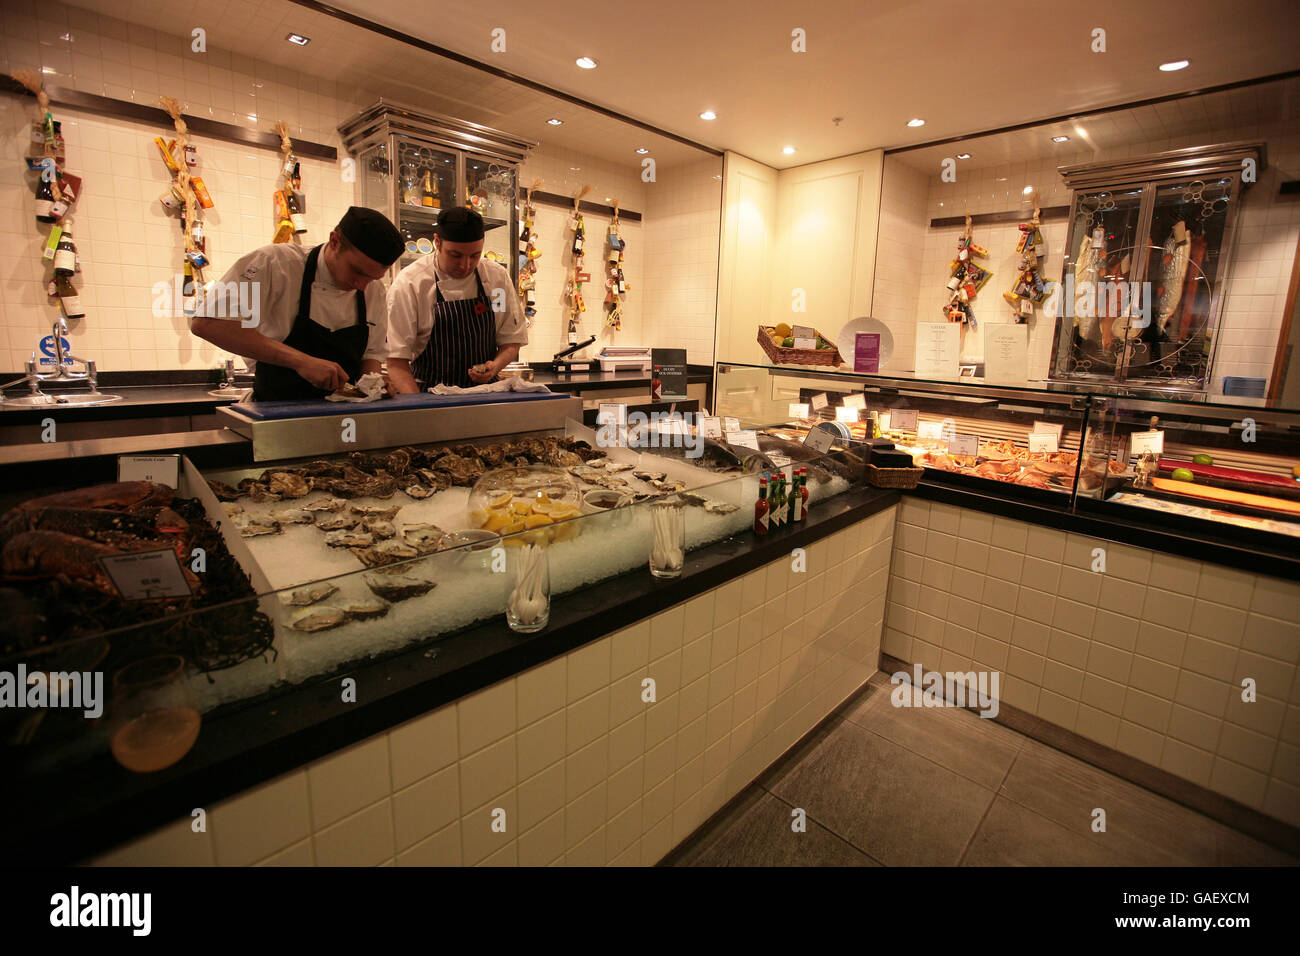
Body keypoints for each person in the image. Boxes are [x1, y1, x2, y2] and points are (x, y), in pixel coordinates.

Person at [191, 206, 405, 401]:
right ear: (334, 241)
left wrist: (374, 382)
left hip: (345, 417)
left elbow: (372, 354)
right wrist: (300, 361)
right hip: (276, 411)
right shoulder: (275, 264)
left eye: (372, 278)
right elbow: (208, 323)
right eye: (357, 271)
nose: (362, 286)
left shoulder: (372, 290)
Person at [385, 206, 528, 392]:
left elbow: (511, 339)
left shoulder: (496, 280)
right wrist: (418, 409)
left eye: (475, 255)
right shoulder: (411, 284)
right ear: (437, 242)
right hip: (430, 396)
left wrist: (495, 366)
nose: (465, 265)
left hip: (483, 396)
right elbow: (396, 362)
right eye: (455, 255)